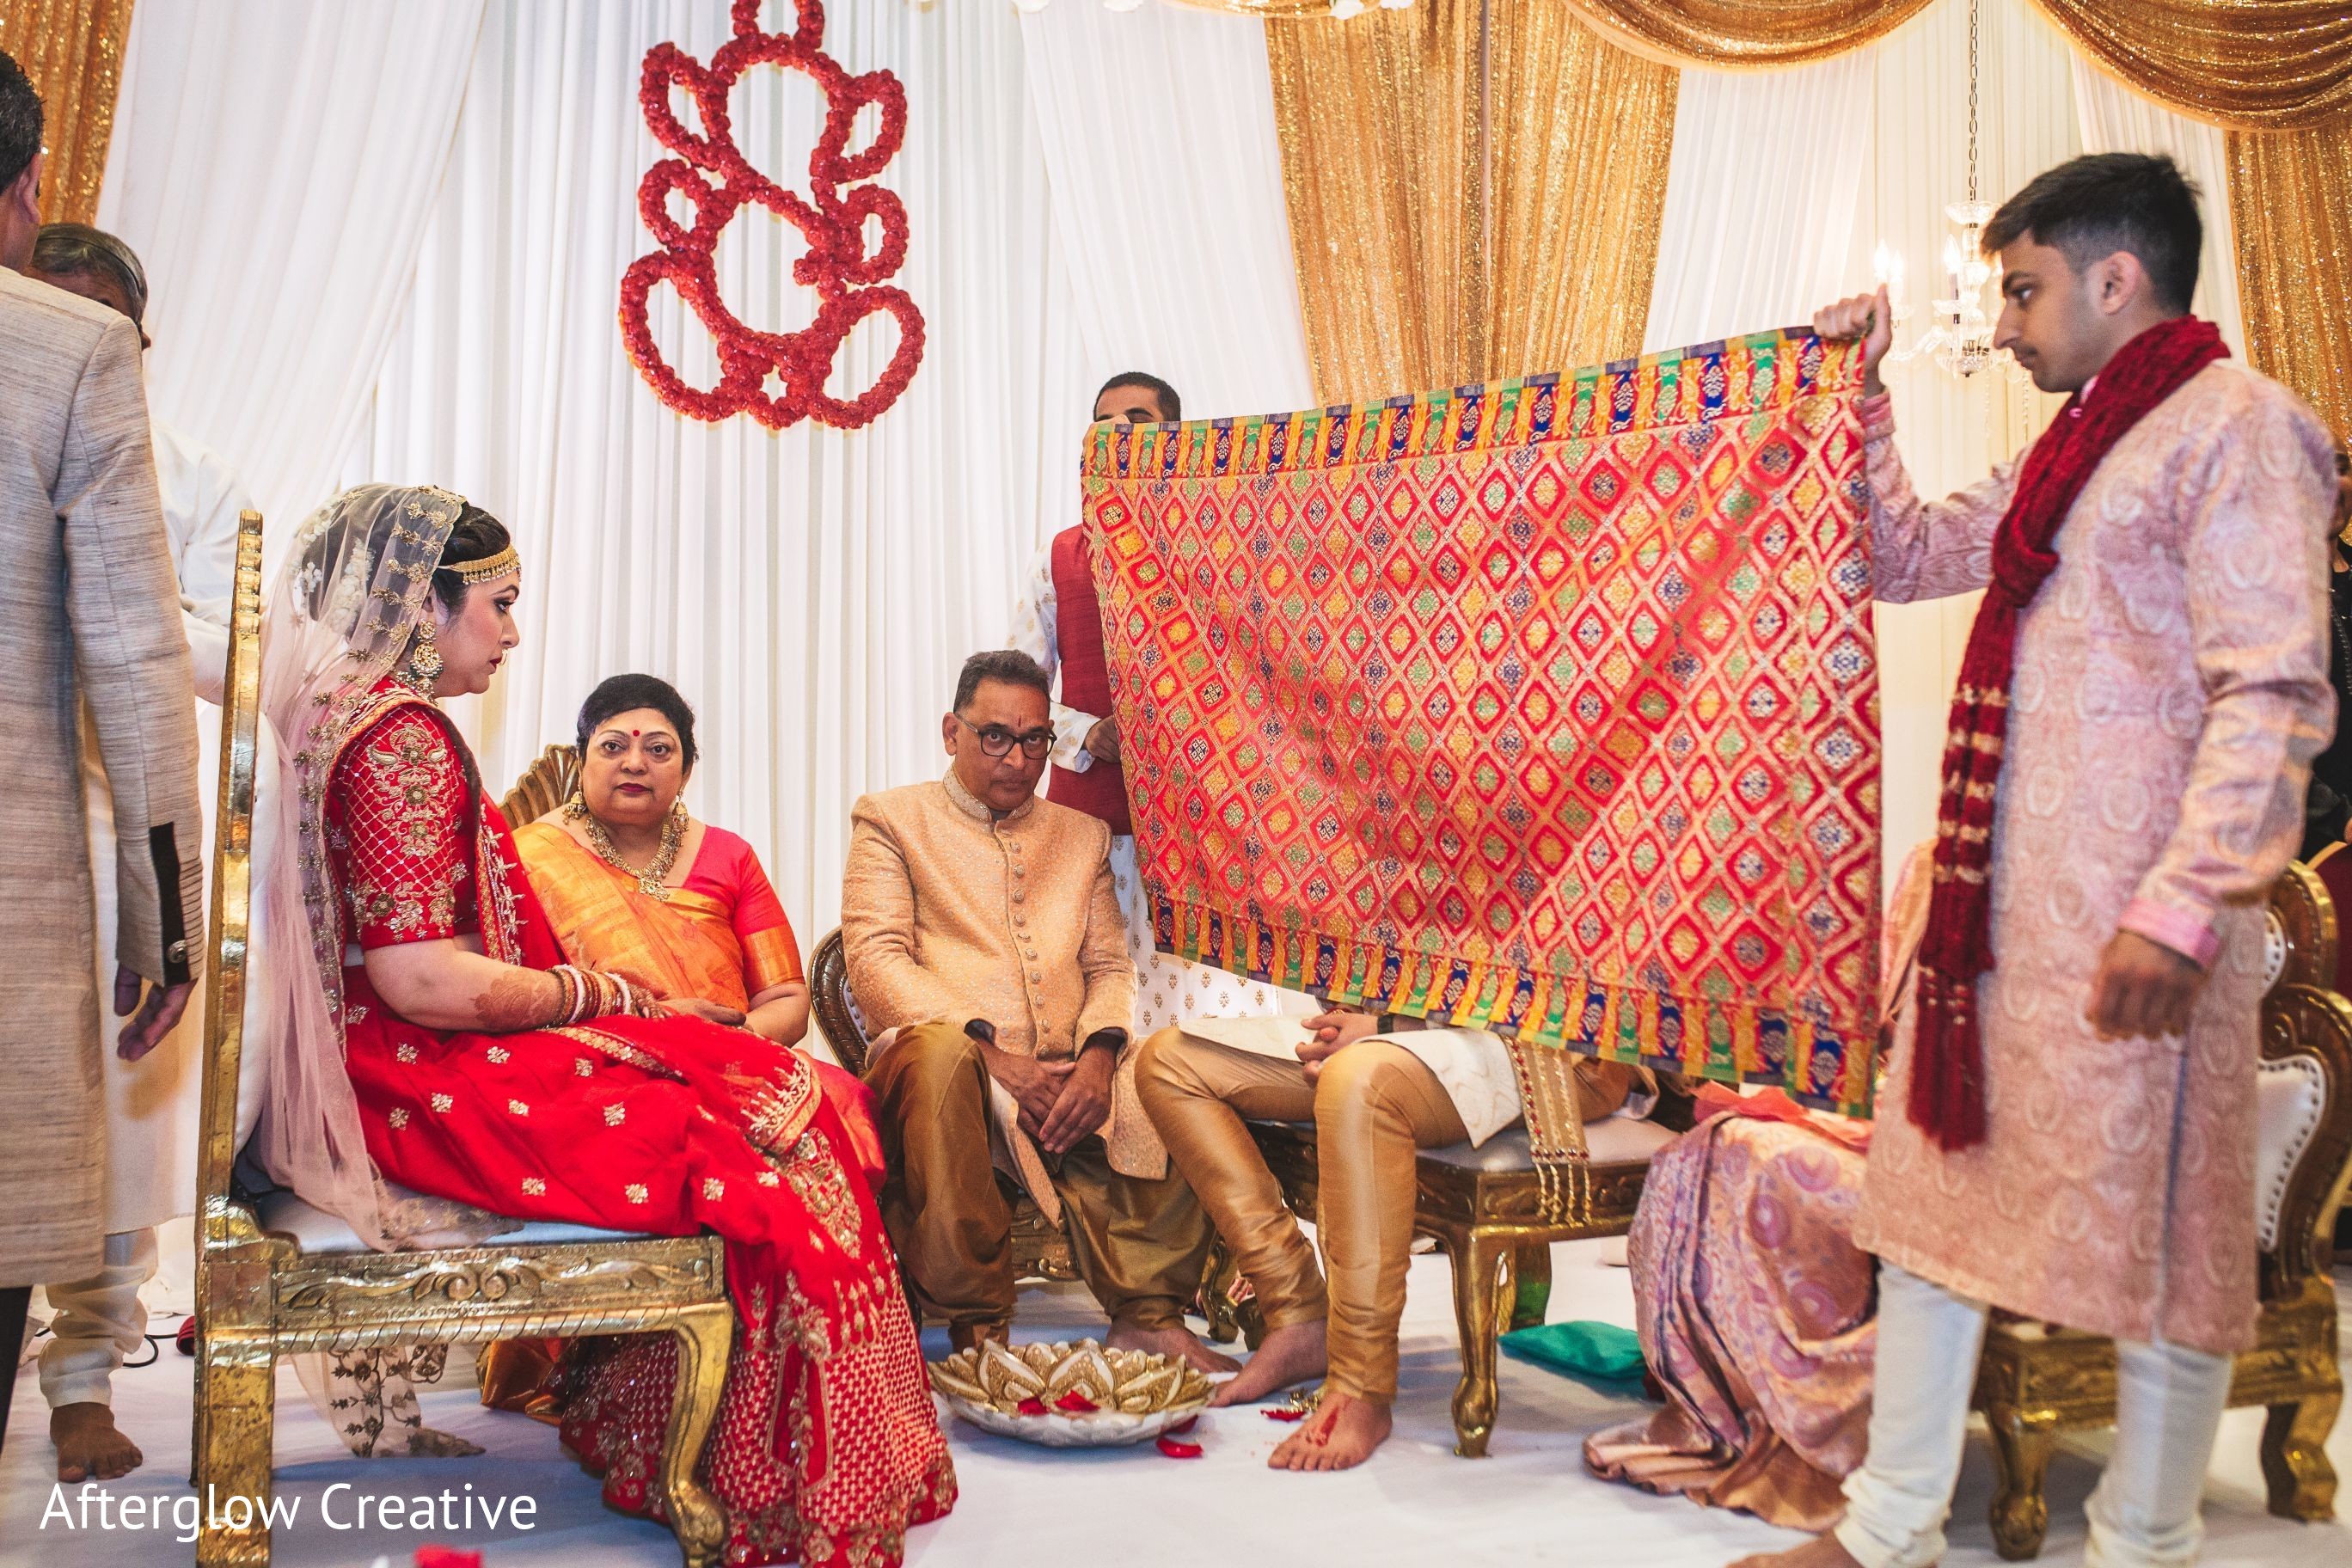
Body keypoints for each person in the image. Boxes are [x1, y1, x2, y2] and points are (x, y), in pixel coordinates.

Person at [1749, 153, 2334, 1568]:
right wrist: (1860, 395)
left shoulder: (2245, 430)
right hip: (1991, 927)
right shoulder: (2069, 447)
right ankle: (1887, 1527)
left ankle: (2146, 1539)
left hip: (2145, 926)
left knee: (2162, 1247)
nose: (2003, 323)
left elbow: (2275, 688)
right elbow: (1896, 553)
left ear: (2113, 276)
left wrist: (2190, 905)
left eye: (2021, 290)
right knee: (1934, 1206)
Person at [246, 484, 952, 1567]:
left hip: (390, 1059)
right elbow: (423, 981)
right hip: (410, 1067)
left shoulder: (337, 715)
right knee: (769, 1144)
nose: (513, 633)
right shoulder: (400, 740)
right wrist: (602, 997)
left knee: (758, 1089)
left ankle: (676, 1434)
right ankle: (778, 1478)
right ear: (423, 608)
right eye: (500, 604)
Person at [481, 673, 886, 1421]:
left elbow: (788, 1002)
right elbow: (511, 997)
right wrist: (663, 1044)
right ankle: (634, 1371)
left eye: (658, 748)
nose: (635, 762)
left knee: (846, 1105)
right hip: (599, 1069)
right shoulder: (528, 856)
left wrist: (714, 1050)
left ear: (687, 769)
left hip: (744, 1064)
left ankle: (797, 1364)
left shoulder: (728, 856)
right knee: (669, 1138)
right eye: (613, 745)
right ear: (581, 760)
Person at [0, 48, 206, 1465]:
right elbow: (137, 655)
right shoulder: (61, 358)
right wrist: (166, 918)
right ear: (23, 189)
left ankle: (86, 1365)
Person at [23, 220, 252, 1484]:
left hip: (109, 824)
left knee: (101, 1110)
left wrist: (109, 589)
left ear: (136, 343)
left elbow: (236, 659)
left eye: (94, 321)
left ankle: (81, 1377)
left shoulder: (188, 472)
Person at [839, 648, 1234, 1372]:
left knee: (1177, 1066)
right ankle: (976, 1326)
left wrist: (1097, 1056)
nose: (1017, 759)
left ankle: (1149, 1315)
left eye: (1034, 740)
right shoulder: (892, 820)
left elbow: (1110, 966)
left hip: (1066, 1063)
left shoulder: (1079, 836)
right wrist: (994, 1057)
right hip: (952, 1065)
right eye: (995, 736)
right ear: (951, 731)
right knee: (938, 1059)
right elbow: (875, 962)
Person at [1583, 846, 1933, 1525]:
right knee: (1699, 1153)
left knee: (1760, 1157)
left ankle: (1815, 1428)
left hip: (1961, 1131)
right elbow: (1877, 1013)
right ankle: (1725, 1410)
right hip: (1887, 1102)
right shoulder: (1930, 862)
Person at [1135, 1013, 1650, 1470]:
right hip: (1390, 1034)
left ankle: (1362, 1382)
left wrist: (1392, 1030)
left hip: (1549, 1046)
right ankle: (1297, 1314)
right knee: (1170, 1061)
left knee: (1358, 1079)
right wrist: (1358, 1019)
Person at [1008, 371, 1291, 1035]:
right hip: (1098, 826)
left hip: (1209, 826)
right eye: (1104, 423)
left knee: (1213, 1022)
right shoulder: (1061, 559)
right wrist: (1088, 733)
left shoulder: (1224, 547)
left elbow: (1267, 674)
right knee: (1106, 1006)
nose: (1119, 435)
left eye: (1139, 420)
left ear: (1174, 439)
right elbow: (1018, 693)